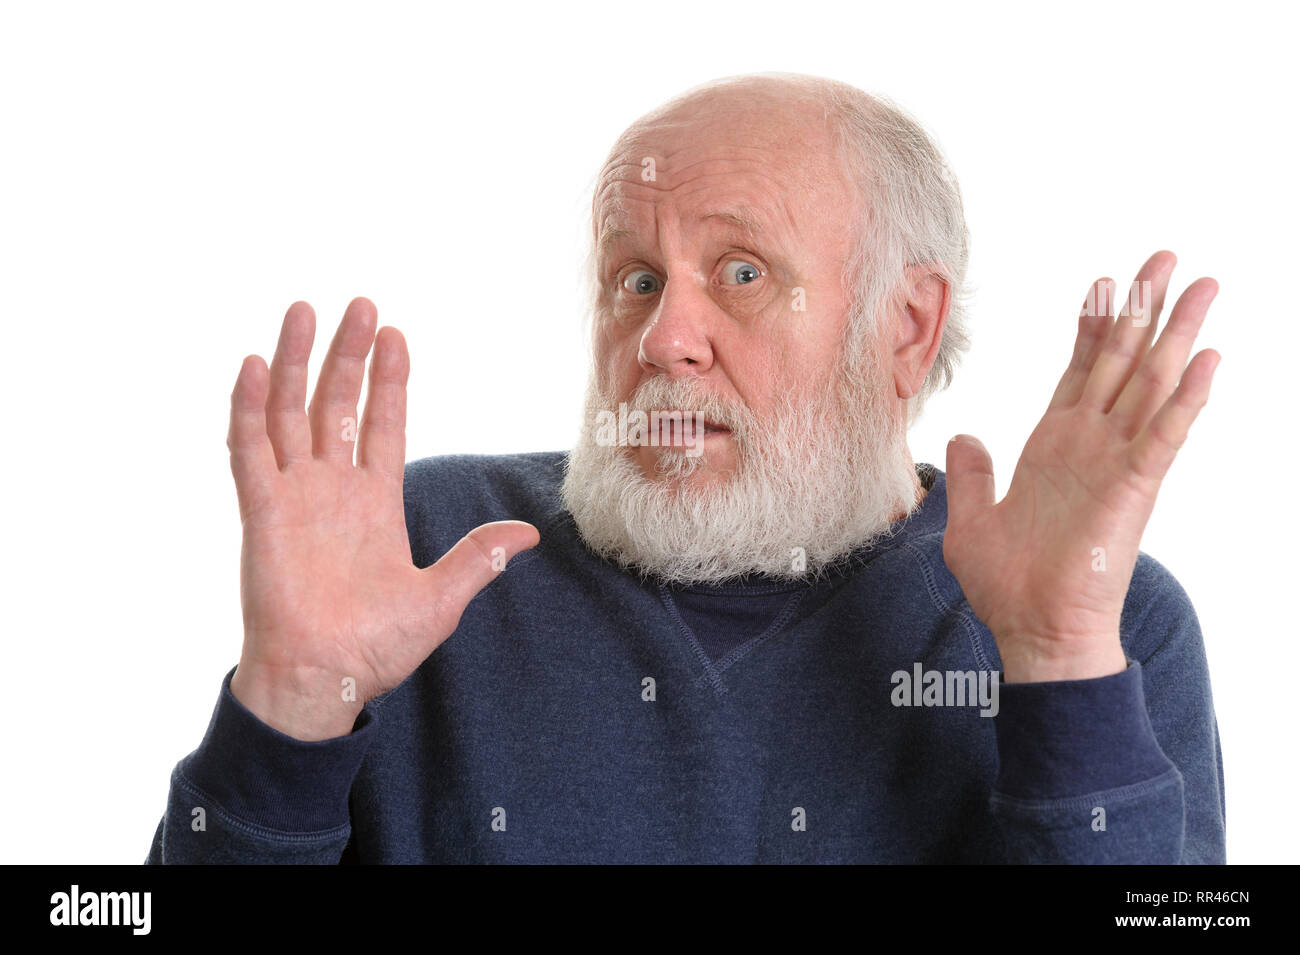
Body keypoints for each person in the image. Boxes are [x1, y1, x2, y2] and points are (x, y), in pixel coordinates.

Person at [146, 72, 1225, 864]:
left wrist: (1058, 660)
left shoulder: (1108, 623)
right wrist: (289, 702)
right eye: (633, 278)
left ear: (903, 327)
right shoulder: (428, 554)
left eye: (742, 271)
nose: (663, 337)